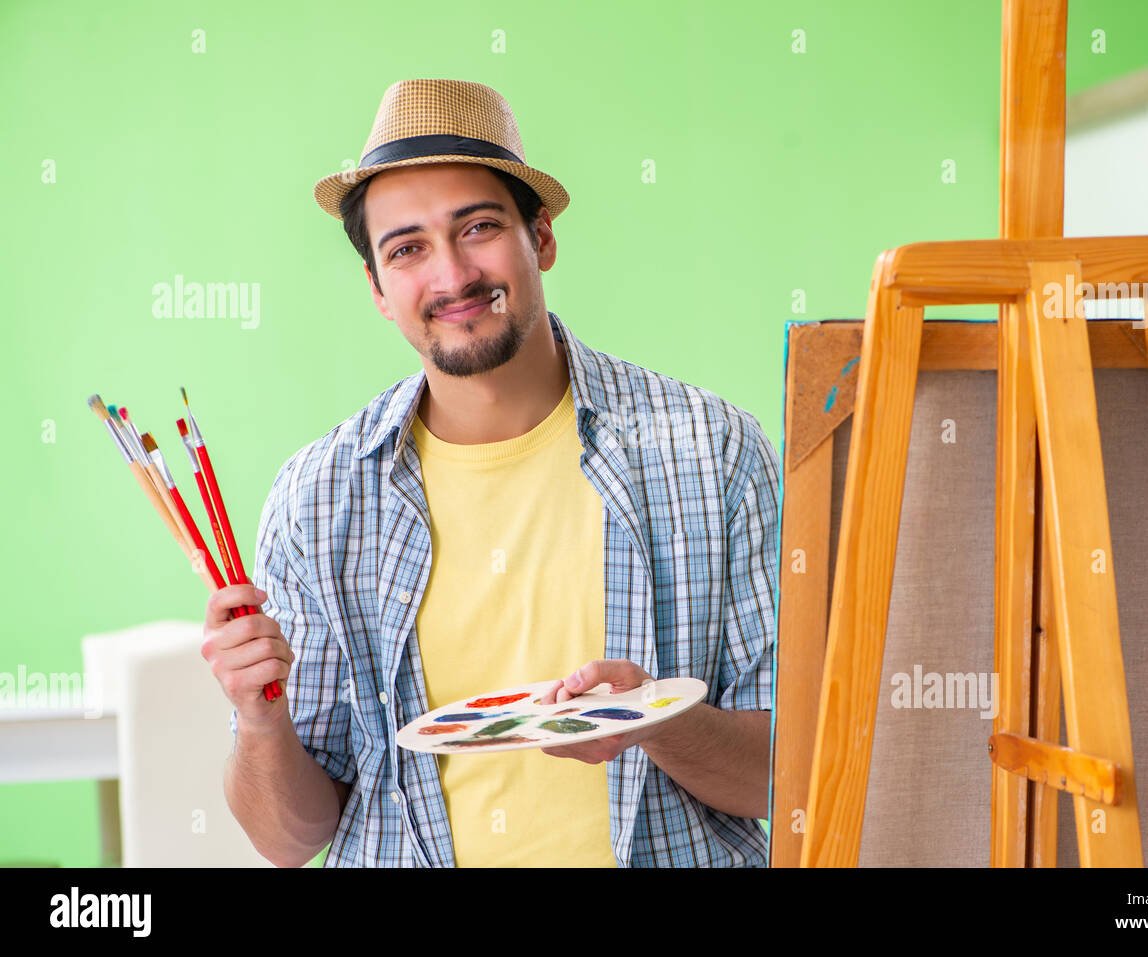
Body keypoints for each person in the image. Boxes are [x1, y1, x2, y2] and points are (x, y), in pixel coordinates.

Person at [202, 79, 780, 867]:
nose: (451, 277)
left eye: (477, 228)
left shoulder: (711, 452)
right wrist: (260, 722)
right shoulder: (319, 498)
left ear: (541, 237)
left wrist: (658, 719)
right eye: (406, 249)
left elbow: (794, 773)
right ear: (377, 287)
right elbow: (289, 838)